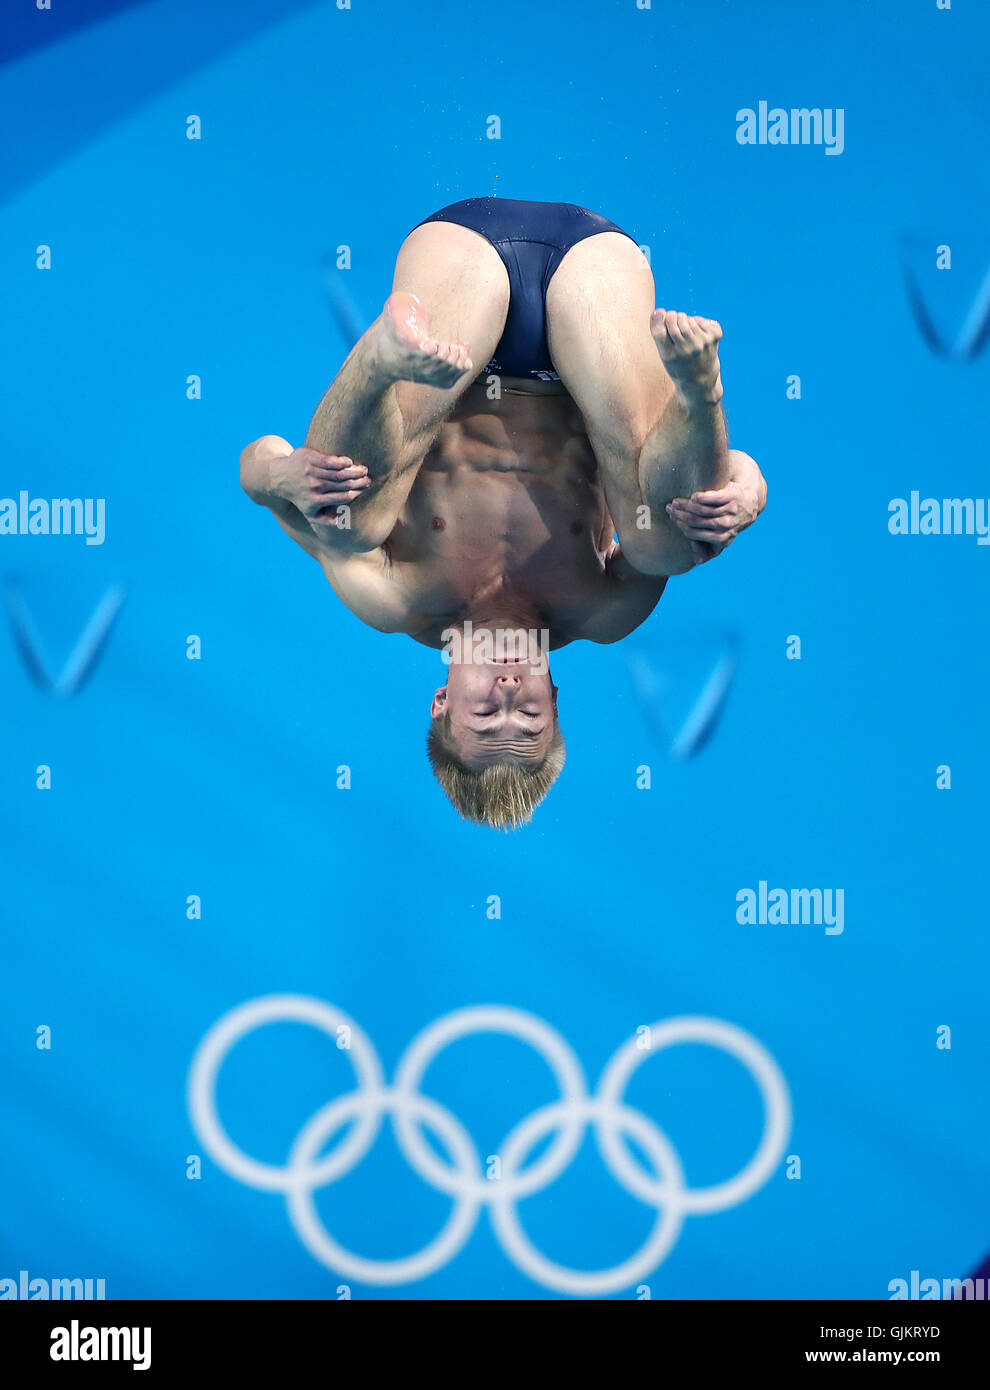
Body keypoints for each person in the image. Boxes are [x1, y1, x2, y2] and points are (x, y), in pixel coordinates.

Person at [240, 197, 767, 829]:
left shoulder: (396, 596)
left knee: (348, 525)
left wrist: (282, 477)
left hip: (457, 302)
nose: (508, 694)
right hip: (589, 300)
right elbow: (714, 489)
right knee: (668, 550)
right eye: (530, 716)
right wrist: (748, 493)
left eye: (486, 715)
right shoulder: (603, 609)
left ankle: (378, 360)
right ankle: (699, 391)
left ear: (441, 702)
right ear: (555, 696)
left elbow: (257, 465)